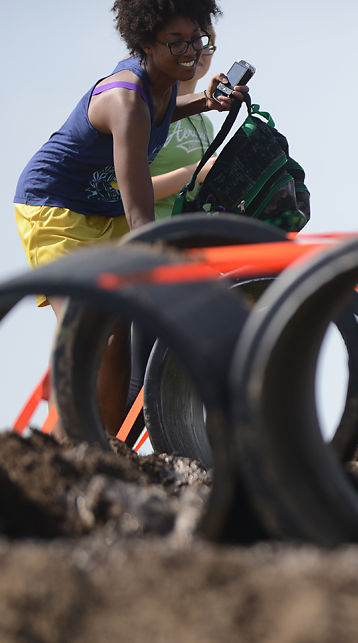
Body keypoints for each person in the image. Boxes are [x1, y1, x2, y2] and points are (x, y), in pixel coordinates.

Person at [12, 0, 245, 435]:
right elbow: (140, 219)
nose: (190, 53)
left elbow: (162, 112)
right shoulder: (126, 98)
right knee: (88, 328)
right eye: (176, 43)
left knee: (117, 340)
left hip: (101, 209)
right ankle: (61, 448)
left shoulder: (164, 80)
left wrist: (203, 102)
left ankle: (106, 450)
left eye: (196, 39)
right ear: (143, 43)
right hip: (55, 208)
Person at [149, 24, 220, 219]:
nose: (197, 52)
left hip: (187, 238)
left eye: (205, 44)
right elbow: (121, 194)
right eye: (183, 43)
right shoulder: (148, 110)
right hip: (146, 237)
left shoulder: (206, 123)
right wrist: (195, 172)